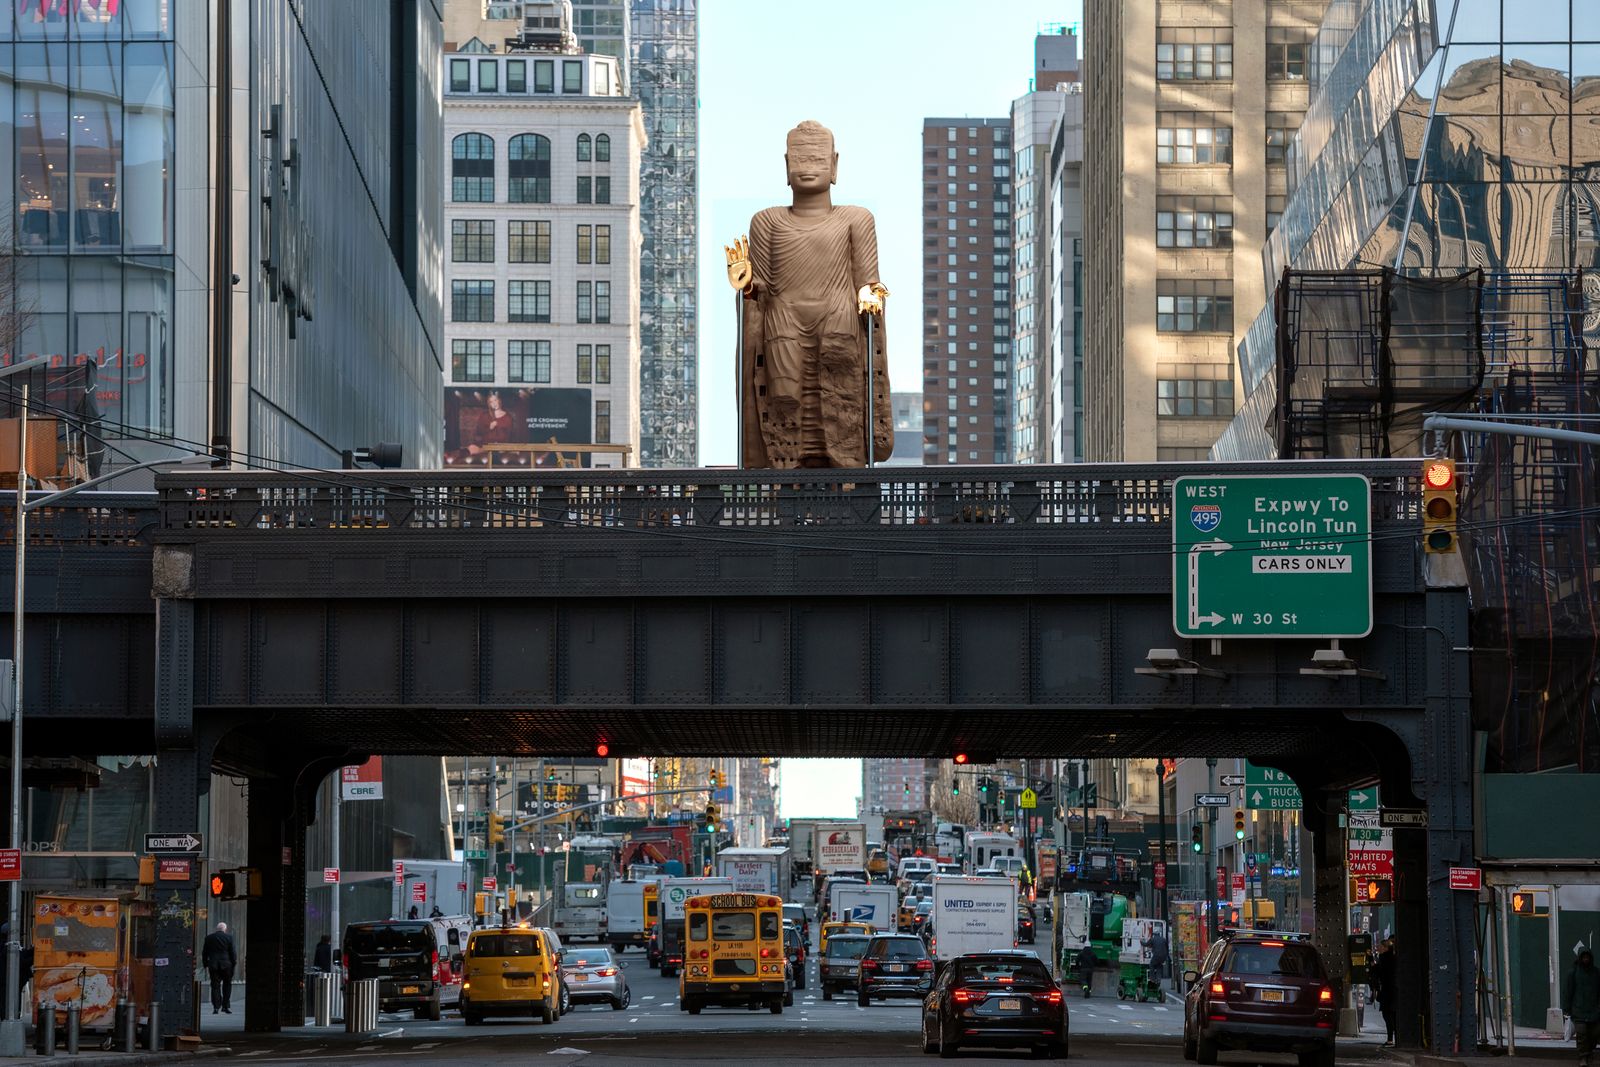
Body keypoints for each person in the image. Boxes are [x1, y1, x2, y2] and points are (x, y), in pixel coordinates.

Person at [728, 119, 893, 469]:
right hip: (783, 321)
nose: (808, 167)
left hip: (838, 318)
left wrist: (869, 296)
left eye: (817, 160)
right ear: (786, 166)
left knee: (842, 400)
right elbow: (762, 293)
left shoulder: (856, 219)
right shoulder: (767, 221)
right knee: (784, 400)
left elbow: (867, 280)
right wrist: (746, 285)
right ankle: (787, 472)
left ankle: (846, 473)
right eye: (800, 159)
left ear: (834, 165)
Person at [1564, 946, 1600, 1066]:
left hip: (1593, 1011)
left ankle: (1589, 1052)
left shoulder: (1596, 973)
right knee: (1582, 1034)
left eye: (1587, 957)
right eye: (1583, 957)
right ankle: (1583, 1056)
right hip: (1578, 1010)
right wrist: (1567, 1009)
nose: (1585, 959)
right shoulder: (1573, 973)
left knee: (1595, 1033)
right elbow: (1568, 992)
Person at [201, 922, 237, 1015]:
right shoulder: (229, 937)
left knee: (215, 986)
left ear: (216, 929)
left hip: (213, 965)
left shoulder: (209, 938)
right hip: (226, 965)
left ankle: (216, 1007)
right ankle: (225, 1006)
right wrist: (233, 963)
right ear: (225, 929)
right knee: (227, 985)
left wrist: (205, 964)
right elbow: (232, 952)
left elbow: (204, 952)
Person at [1370, 937, 1397, 1046]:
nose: (1378, 948)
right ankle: (1393, 1037)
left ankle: (1390, 1038)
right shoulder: (1393, 958)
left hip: (1387, 991)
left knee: (1387, 1014)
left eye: (1380, 946)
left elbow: (1379, 972)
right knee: (1392, 1014)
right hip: (1392, 991)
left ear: (1386, 948)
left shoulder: (1384, 959)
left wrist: (1373, 965)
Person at [1145, 927, 1171, 991]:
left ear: (1154, 934)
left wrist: (1141, 941)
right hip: (1163, 957)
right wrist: (1166, 957)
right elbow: (1167, 948)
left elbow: (1146, 944)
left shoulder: (1153, 939)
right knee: (1159, 966)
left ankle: (1152, 979)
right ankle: (1158, 979)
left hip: (1156, 956)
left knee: (1152, 965)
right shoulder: (1164, 939)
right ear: (1159, 933)